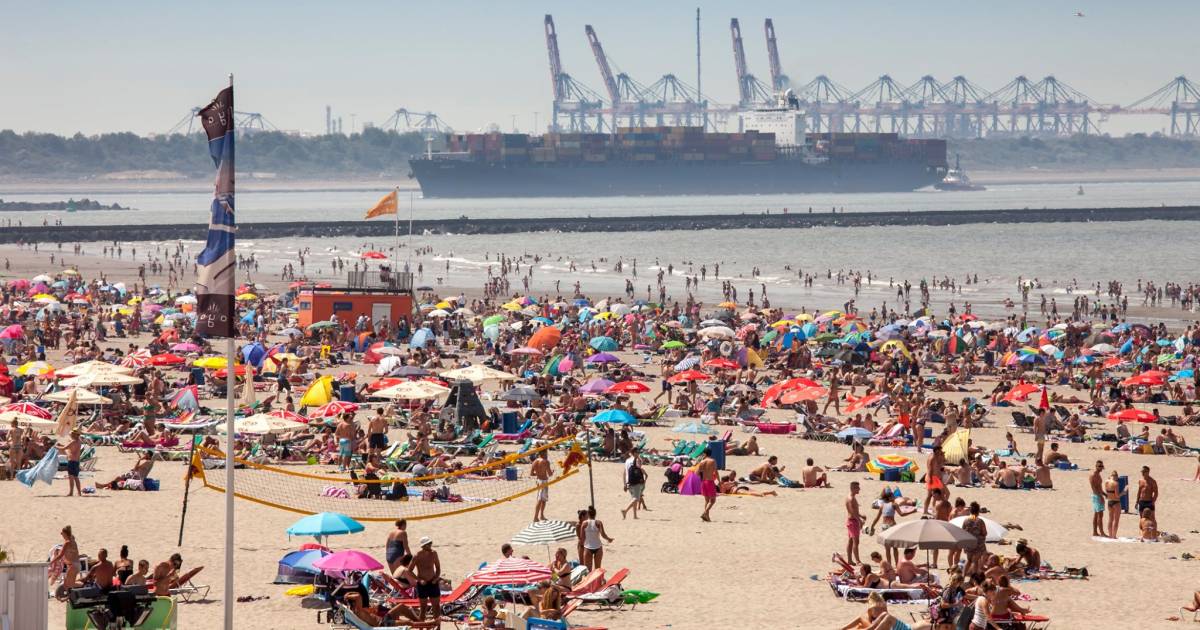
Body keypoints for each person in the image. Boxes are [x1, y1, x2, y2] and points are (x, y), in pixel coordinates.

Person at [408, 536, 442, 628]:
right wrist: (419, 580)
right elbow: (409, 570)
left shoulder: (434, 553)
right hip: (422, 584)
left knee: (436, 607)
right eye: (428, 544)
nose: (430, 545)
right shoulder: (417, 555)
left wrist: (436, 578)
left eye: (431, 543)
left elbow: (438, 568)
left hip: (433, 582)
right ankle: (421, 627)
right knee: (423, 608)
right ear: (423, 546)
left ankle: (438, 627)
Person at [960, 501, 987, 575]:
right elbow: (984, 532)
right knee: (975, 561)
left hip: (968, 543)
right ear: (978, 511)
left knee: (969, 560)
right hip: (978, 544)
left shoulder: (966, 520)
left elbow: (962, 531)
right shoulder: (980, 521)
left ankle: (963, 575)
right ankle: (973, 578)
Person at [622, 450, 647, 520]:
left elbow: (624, 472)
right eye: (638, 452)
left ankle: (635, 516)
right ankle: (625, 510)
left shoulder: (627, 460)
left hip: (628, 481)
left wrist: (624, 484)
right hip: (636, 481)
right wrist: (639, 458)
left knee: (634, 498)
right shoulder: (637, 460)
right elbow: (640, 467)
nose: (639, 453)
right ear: (635, 453)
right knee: (636, 498)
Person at [845, 481, 865, 565]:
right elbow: (851, 511)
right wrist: (859, 520)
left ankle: (849, 560)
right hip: (853, 522)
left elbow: (853, 510)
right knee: (856, 541)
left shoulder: (850, 497)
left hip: (851, 521)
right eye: (857, 487)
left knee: (850, 541)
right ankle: (858, 561)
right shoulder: (851, 498)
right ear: (853, 488)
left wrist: (860, 515)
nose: (859, 489)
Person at [697, 447, 718, 522]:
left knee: (707, 500)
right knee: (713, 500)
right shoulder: (712, 461)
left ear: (705, 454)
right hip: (710, 481)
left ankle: (707, 517)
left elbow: (697, 473)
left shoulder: (702, 462)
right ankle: (705, 513)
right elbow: (716, 472)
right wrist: (719, 481)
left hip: (703, 482)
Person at [59, 429, 82, 497]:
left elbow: (63, 448)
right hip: (76, 461)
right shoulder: (79, 441)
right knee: (76, 477)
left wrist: (55, 446)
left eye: (72, 434)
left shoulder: (73, 441)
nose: (71, 435)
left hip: (72, 461)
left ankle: (71, 492)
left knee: (71, 478)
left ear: (75, 435)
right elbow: (70, 449)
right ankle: (79, 492)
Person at [531, 451, 551, 522]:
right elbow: (550, 474)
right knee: (541, 499)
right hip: (543, 481)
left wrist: (538, 473)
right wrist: (552, 472)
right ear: (544, 453)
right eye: (546, 453)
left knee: (542, 499)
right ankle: (536, 517)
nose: (547, 455)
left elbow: (531, 474)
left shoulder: (534, 461)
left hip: (538, 480)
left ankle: (541, 516)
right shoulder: (546, 461)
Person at [1089, 460, 1107, 538]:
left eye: (1101, 466)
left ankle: (1095, 532)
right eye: (1099, 466)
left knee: (1096, 514)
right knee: (1100, 515)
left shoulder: (1098, 475)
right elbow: (1094, 488)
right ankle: (1101, 532)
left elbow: (1099, 487)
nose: (1101, 467)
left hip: (1098, 495)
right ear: (1096, 466)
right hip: (1096, 496)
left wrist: (1104, 494)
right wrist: (1100, 497)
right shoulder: (1093, 475)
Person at [1104, 469, 1121, 539]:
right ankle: (1114, 536)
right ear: (1116, 476)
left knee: (1110, 519)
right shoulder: (1116, 483)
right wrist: (1123, 492)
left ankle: (1110, 535)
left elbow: (1107, 492)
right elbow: (1117, 496)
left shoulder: (1106, 482)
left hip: (1109, 501)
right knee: (1116, 520)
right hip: (1116, 502)